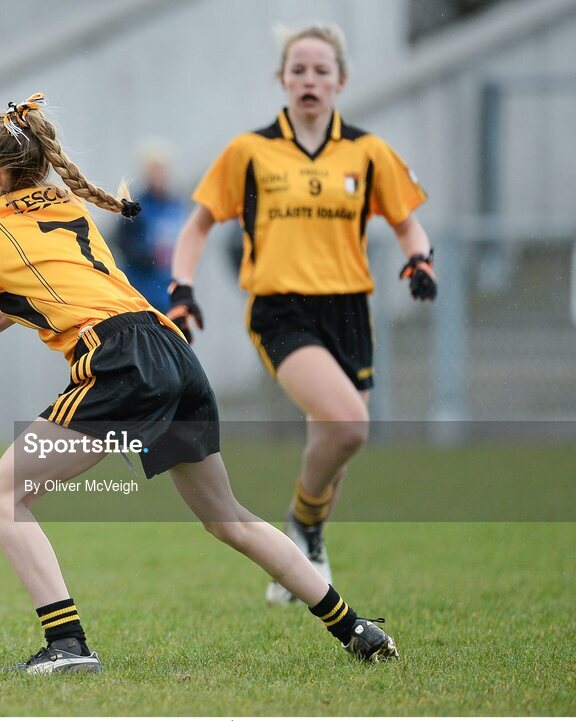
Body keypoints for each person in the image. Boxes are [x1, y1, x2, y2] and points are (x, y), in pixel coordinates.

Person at [0, 92, 399, 672]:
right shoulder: (65, 209)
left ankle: (68, 644)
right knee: (225, 516)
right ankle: (353, 626)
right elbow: (31, 298)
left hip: (118, 364)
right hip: (172, 354)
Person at [167, 24, 436, 606]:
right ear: (282, 80)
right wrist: (182, 289)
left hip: (350, 311)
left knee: (335, 439)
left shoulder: (367, 151)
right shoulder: (250, 152)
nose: (309, 80)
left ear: (340, 80)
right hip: (281, 309)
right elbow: (197, 227)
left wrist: (419, 259)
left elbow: (406, 219)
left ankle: (304, 539)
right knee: (347, 425)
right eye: (298, 70)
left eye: (321, 71)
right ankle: (305, 528)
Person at [111, 143, 186, 312]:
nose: (158, 175)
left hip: (169, 291)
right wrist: (149, 256)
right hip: (141, 291)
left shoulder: (175, 206)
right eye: (154, 170)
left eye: (161, 169)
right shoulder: (135, 206)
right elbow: (122, 243)